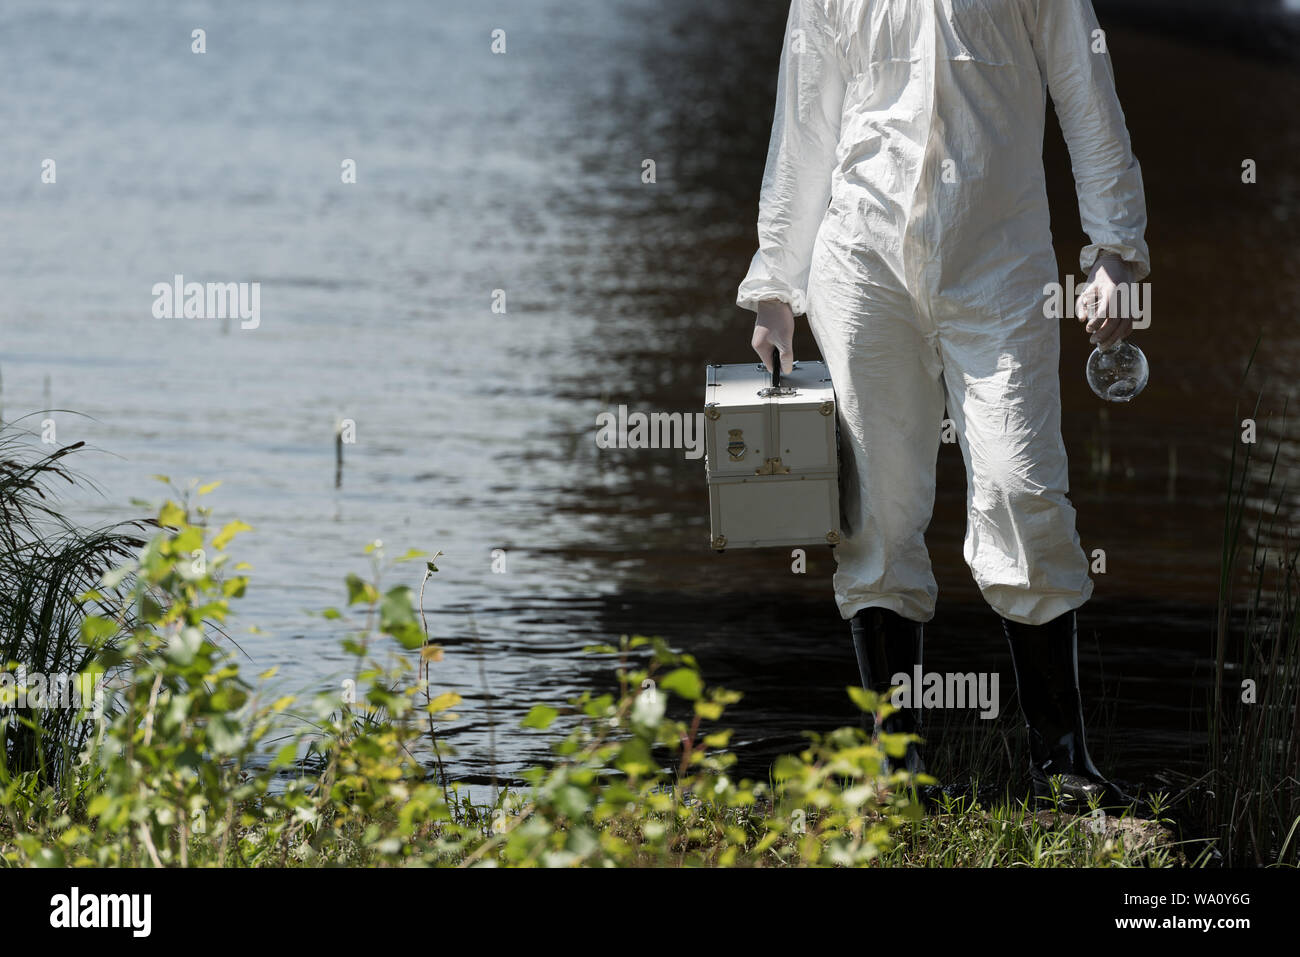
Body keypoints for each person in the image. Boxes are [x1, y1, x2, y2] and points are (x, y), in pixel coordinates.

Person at [737, 0, 1149, 810]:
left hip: (1000, 266)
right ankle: (898, 772)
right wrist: (776, 286)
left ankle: (1062, 767)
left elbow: (1083, 82)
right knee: (876, 518)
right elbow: (805, 118)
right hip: (861, 263)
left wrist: (1117, 248)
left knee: (1022, 488)